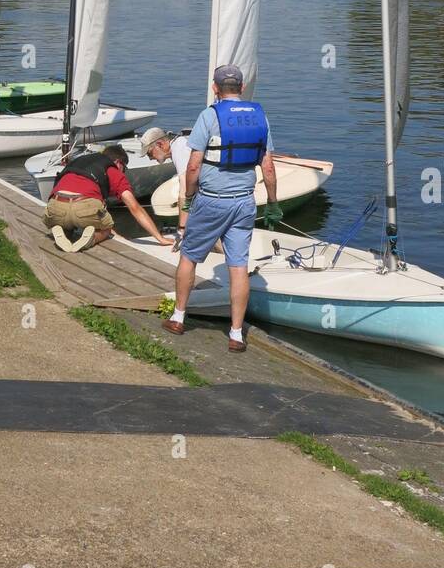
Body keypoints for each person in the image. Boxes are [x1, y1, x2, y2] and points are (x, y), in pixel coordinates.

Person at [162, 64, 277, 352]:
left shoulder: (210, 115)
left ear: (215, 88)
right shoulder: (259, 116)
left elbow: (192, 165)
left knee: (189, 256)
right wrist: (273, 203)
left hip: (211, 200)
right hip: (244, 203)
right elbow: (269, 167)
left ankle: (178, 318)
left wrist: (188, 196)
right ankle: (236, 334)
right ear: (241, 87)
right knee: (238, 266)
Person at [45, 143, 176, 253]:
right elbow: (134, 207)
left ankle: (62, 230)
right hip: (82, 206)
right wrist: (160, 238)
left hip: (55, 206)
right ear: (118, 163)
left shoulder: (77, 161)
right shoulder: (112, 170)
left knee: (68, 219)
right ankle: (92, 239)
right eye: (123, 168)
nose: (123, 172)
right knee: (107, 228)